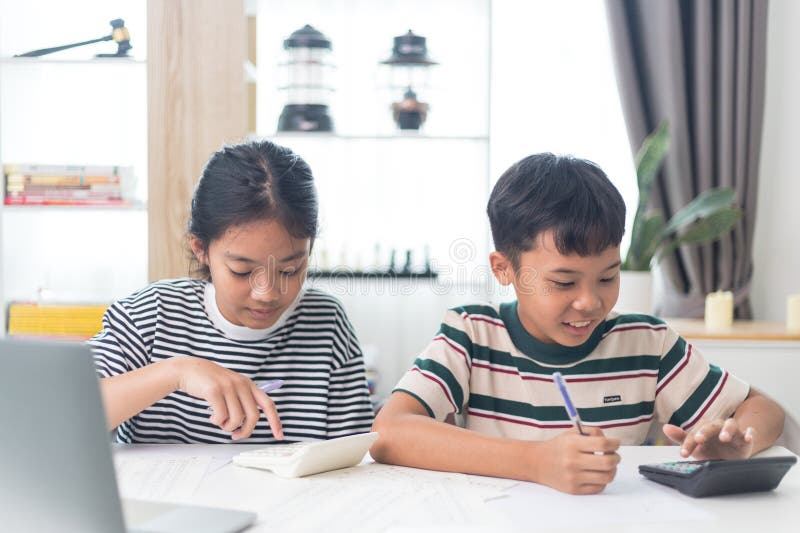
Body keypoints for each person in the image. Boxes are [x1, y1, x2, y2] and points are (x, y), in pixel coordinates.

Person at [370, 153, 785, 494]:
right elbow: (390, 432)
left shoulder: (647, 343)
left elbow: (763, 409)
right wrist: (535, 462)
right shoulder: (471, 335)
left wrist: (738, 443)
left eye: (608, 276)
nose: (590, 301)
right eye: (563, 281)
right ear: (504, 269)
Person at [90, 140, 374, 444]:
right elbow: (58, 413)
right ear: (200, 248)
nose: (266, 293)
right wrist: (176, 373)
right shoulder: (152, 315)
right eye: (242, 271)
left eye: (289, 270)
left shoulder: (326, 324)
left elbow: (354, 453)